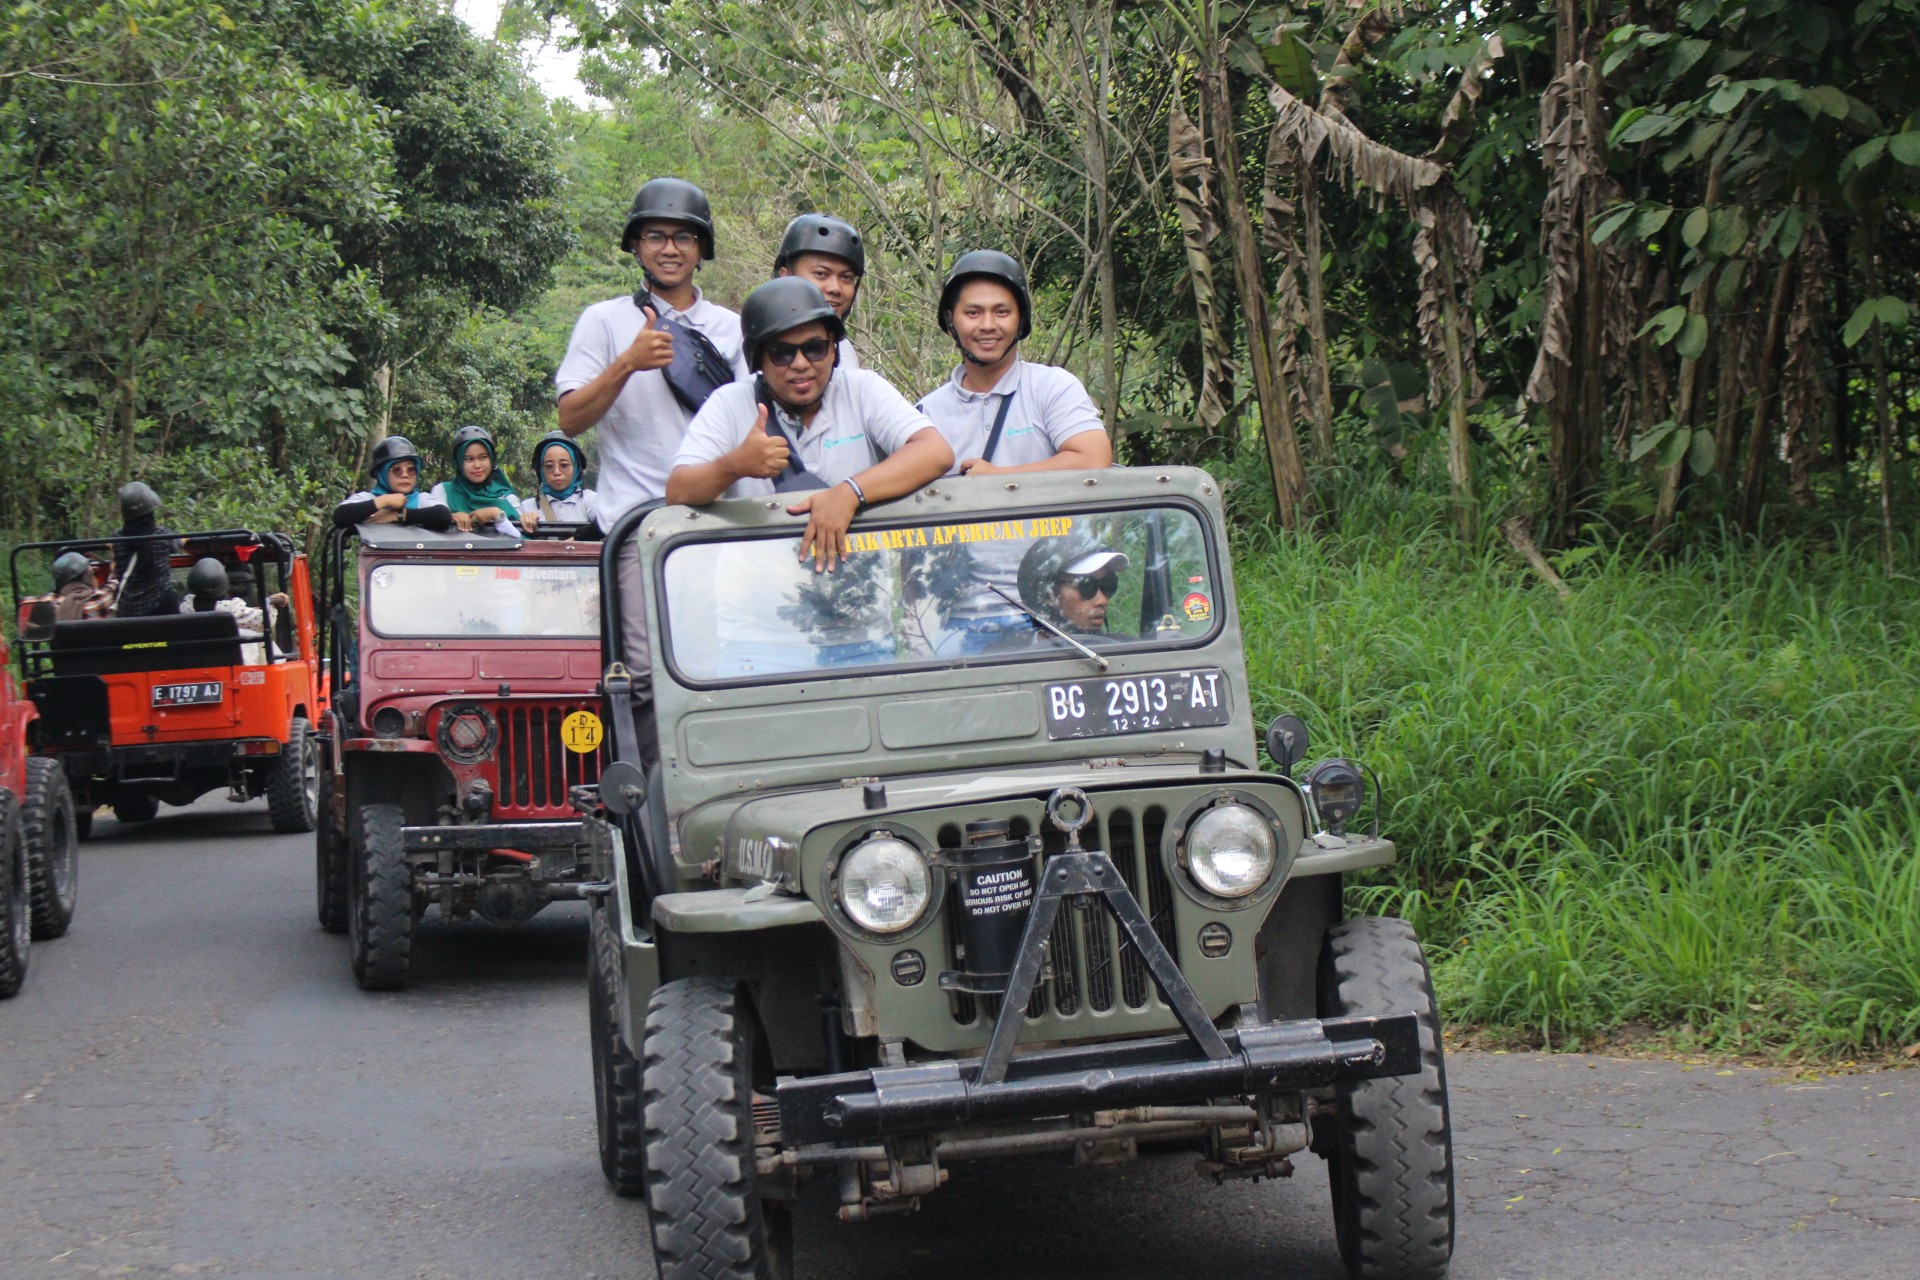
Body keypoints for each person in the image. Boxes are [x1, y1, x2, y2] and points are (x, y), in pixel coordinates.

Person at [666, 276, 953, 572]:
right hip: (755, 601)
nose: (801, 363)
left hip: (860, 595)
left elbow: (935, 451)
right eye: (782, 353)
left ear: (833, 350)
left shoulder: (862, 389)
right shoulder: (729, 403)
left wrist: (849, 492)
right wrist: (735, 465)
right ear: (759, 359)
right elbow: (678, 491)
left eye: (814, 348)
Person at [915, 250, 1114, 650]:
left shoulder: (1052, 387)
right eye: (973, 313)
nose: (988, 325)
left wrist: (999, 480)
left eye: (1001, 312)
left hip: (1055, 609)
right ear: (951, 320)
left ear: (1020, 319)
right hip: (965, 617)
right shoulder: (927, 412)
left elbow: (1094, 457)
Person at [554, 177, 748, 529]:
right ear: (636, 247)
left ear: (701, 247)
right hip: (636, 526)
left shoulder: (732, 328)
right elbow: (570, 420)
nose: (669, 249)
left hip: (719, 525)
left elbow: (755, 425)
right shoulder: (603, 321)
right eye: (655, 236)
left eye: (684, 237)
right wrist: (628, 363)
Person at [773, 213, 866, 371]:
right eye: (821, 274)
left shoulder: (844, 350)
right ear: (785, 276)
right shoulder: (757, 346)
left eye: (846, 277)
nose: (835, 288)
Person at [1016, 533, 1129, 636]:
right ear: (1048, 594)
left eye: (1109, 584)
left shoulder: (1126, 649)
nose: (1102, 601)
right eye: (1086, 586)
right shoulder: (1014, 654)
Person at [334, 436, 452, 530]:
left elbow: (443, 516)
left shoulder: (421, 499)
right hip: (378, 560)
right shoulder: (369, 498)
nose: (405, 475)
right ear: (382, 474)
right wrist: (384, 501)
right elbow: (340, 516)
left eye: (411, 470)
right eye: (396, 470)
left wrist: (398, 515)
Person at [432, 425, 528, 537]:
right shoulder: (443, 491)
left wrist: (496, 514)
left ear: (491, 459)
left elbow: (523, 543)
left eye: (483, 457)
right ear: (458, 462)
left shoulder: (506, 497)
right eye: (469, 459)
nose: (477, 465)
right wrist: (451, 518)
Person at [110, 481, 180, 618]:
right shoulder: (162, 535)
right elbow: (176, 546)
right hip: (162, 610)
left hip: (128, 613)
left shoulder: (118, 539)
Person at [520, 430, 602, 530]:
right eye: (549, 466)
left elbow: (608, 522)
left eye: (564, 465)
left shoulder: (590, 501)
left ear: (577, 467)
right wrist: (526, 521)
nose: (557, 472)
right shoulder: (527, 507)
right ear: (540, 470)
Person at [49, 552, 106, 622]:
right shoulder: (100, 599)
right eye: (94, 574)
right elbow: (119, 577)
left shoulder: (46, 603)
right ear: (86, 578)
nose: (96, 578)